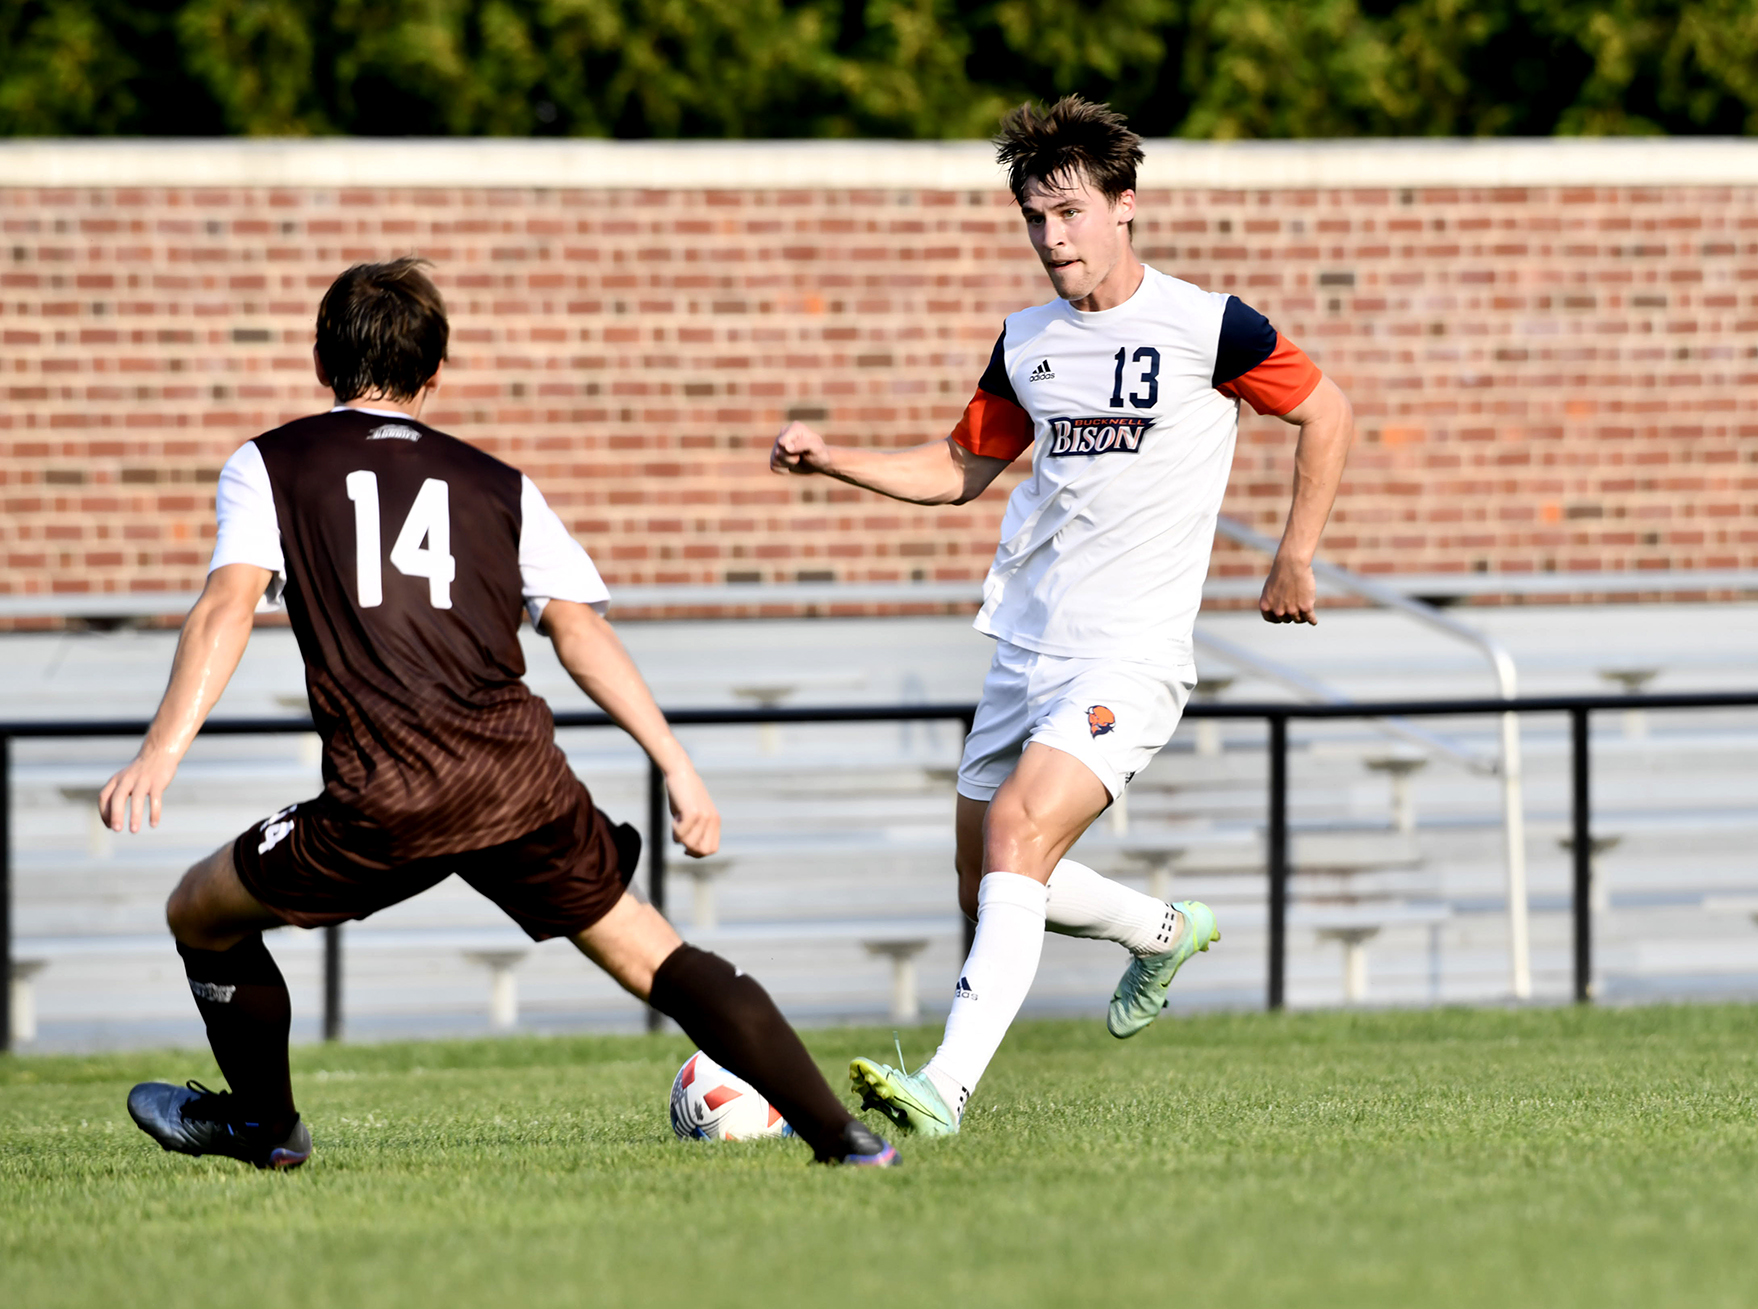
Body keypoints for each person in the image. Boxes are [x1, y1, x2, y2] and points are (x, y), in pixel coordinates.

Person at [101, 257, 897, 1169]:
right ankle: (846, 1138)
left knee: (199, 910)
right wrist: (676, 764)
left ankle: (267, 1127)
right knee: (656, 956)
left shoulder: (270, 463)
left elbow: (227, 606)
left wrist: (161, 750)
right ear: (436, 373)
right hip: (519, 783)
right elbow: (579, 631)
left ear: (321, 361)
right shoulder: (499, 483)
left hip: (387, 794)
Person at [769, 97, 1356, 1135]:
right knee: (985, 880)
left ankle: (943, 1090)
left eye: (1071, 213)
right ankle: (1162, 930)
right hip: (1022, 646)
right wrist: (833, 460)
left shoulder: (1208, 325)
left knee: (1014, 832)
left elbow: (1326, 408)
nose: (1052, 238)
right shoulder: (1026, 341)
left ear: (1124, 205)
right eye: (1035, 219)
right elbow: (960, 468)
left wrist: (1294, 554)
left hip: (1128, 656)